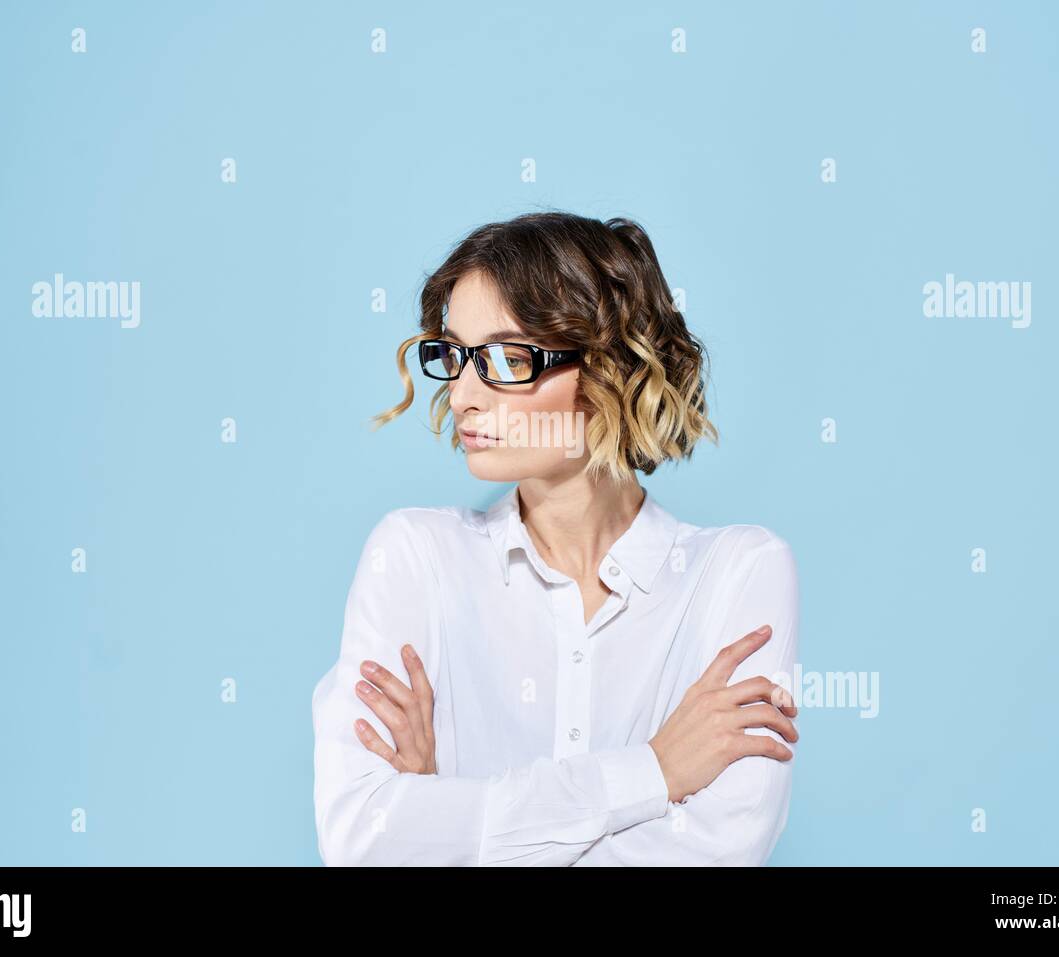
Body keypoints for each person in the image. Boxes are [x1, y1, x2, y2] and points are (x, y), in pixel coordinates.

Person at [311, 211, 800, 866]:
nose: (462, 395)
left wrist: (443, 810)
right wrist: (653, 771)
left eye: (508, 358)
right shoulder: (414, 556)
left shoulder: (737, 574)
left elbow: (717, 852)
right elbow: (360, 840)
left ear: (611, 370)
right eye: (455, 355)